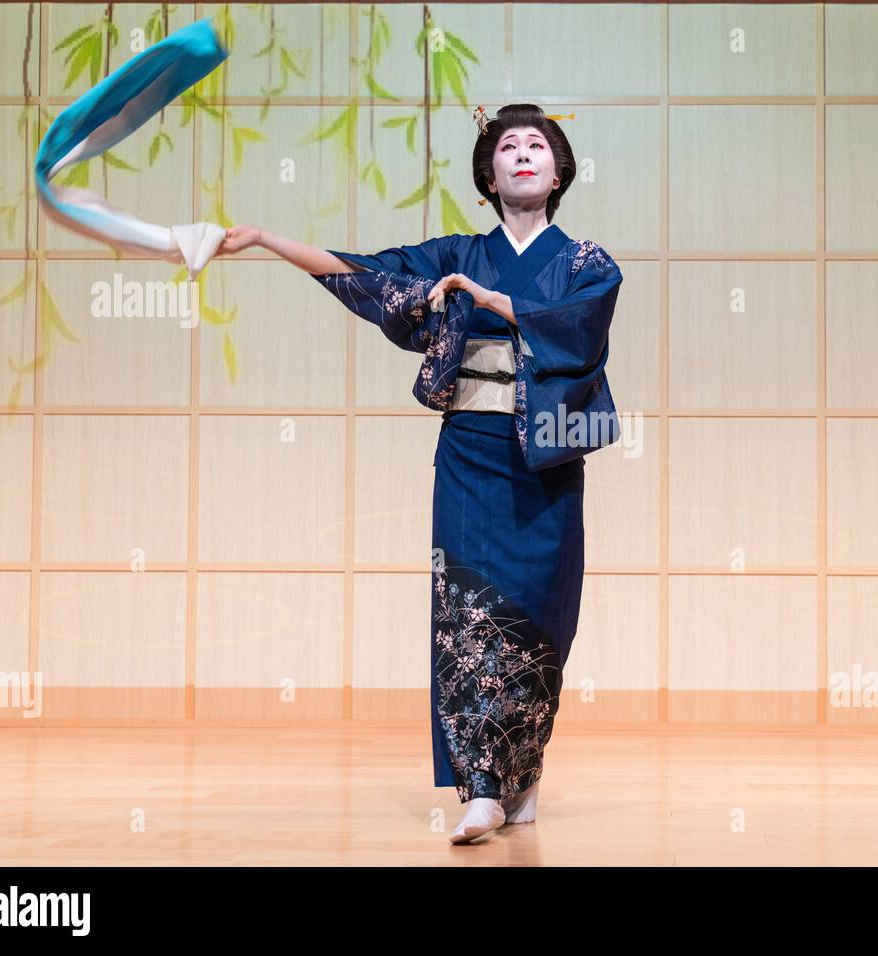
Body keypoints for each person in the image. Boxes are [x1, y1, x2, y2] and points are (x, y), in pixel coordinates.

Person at [214, 104, 624, 844]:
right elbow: (368, 276)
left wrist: (489, 297)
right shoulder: (457, 252)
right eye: (508, 145)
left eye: (538, 145)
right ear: (487, 173)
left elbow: (581, 327)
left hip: (545, 455)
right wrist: (268, 239)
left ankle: (524, 768)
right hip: (470, 448)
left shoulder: (584, 261)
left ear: (559, 171)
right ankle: (482, 789)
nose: (523, 154)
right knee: (466, 613)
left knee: (541, 619)